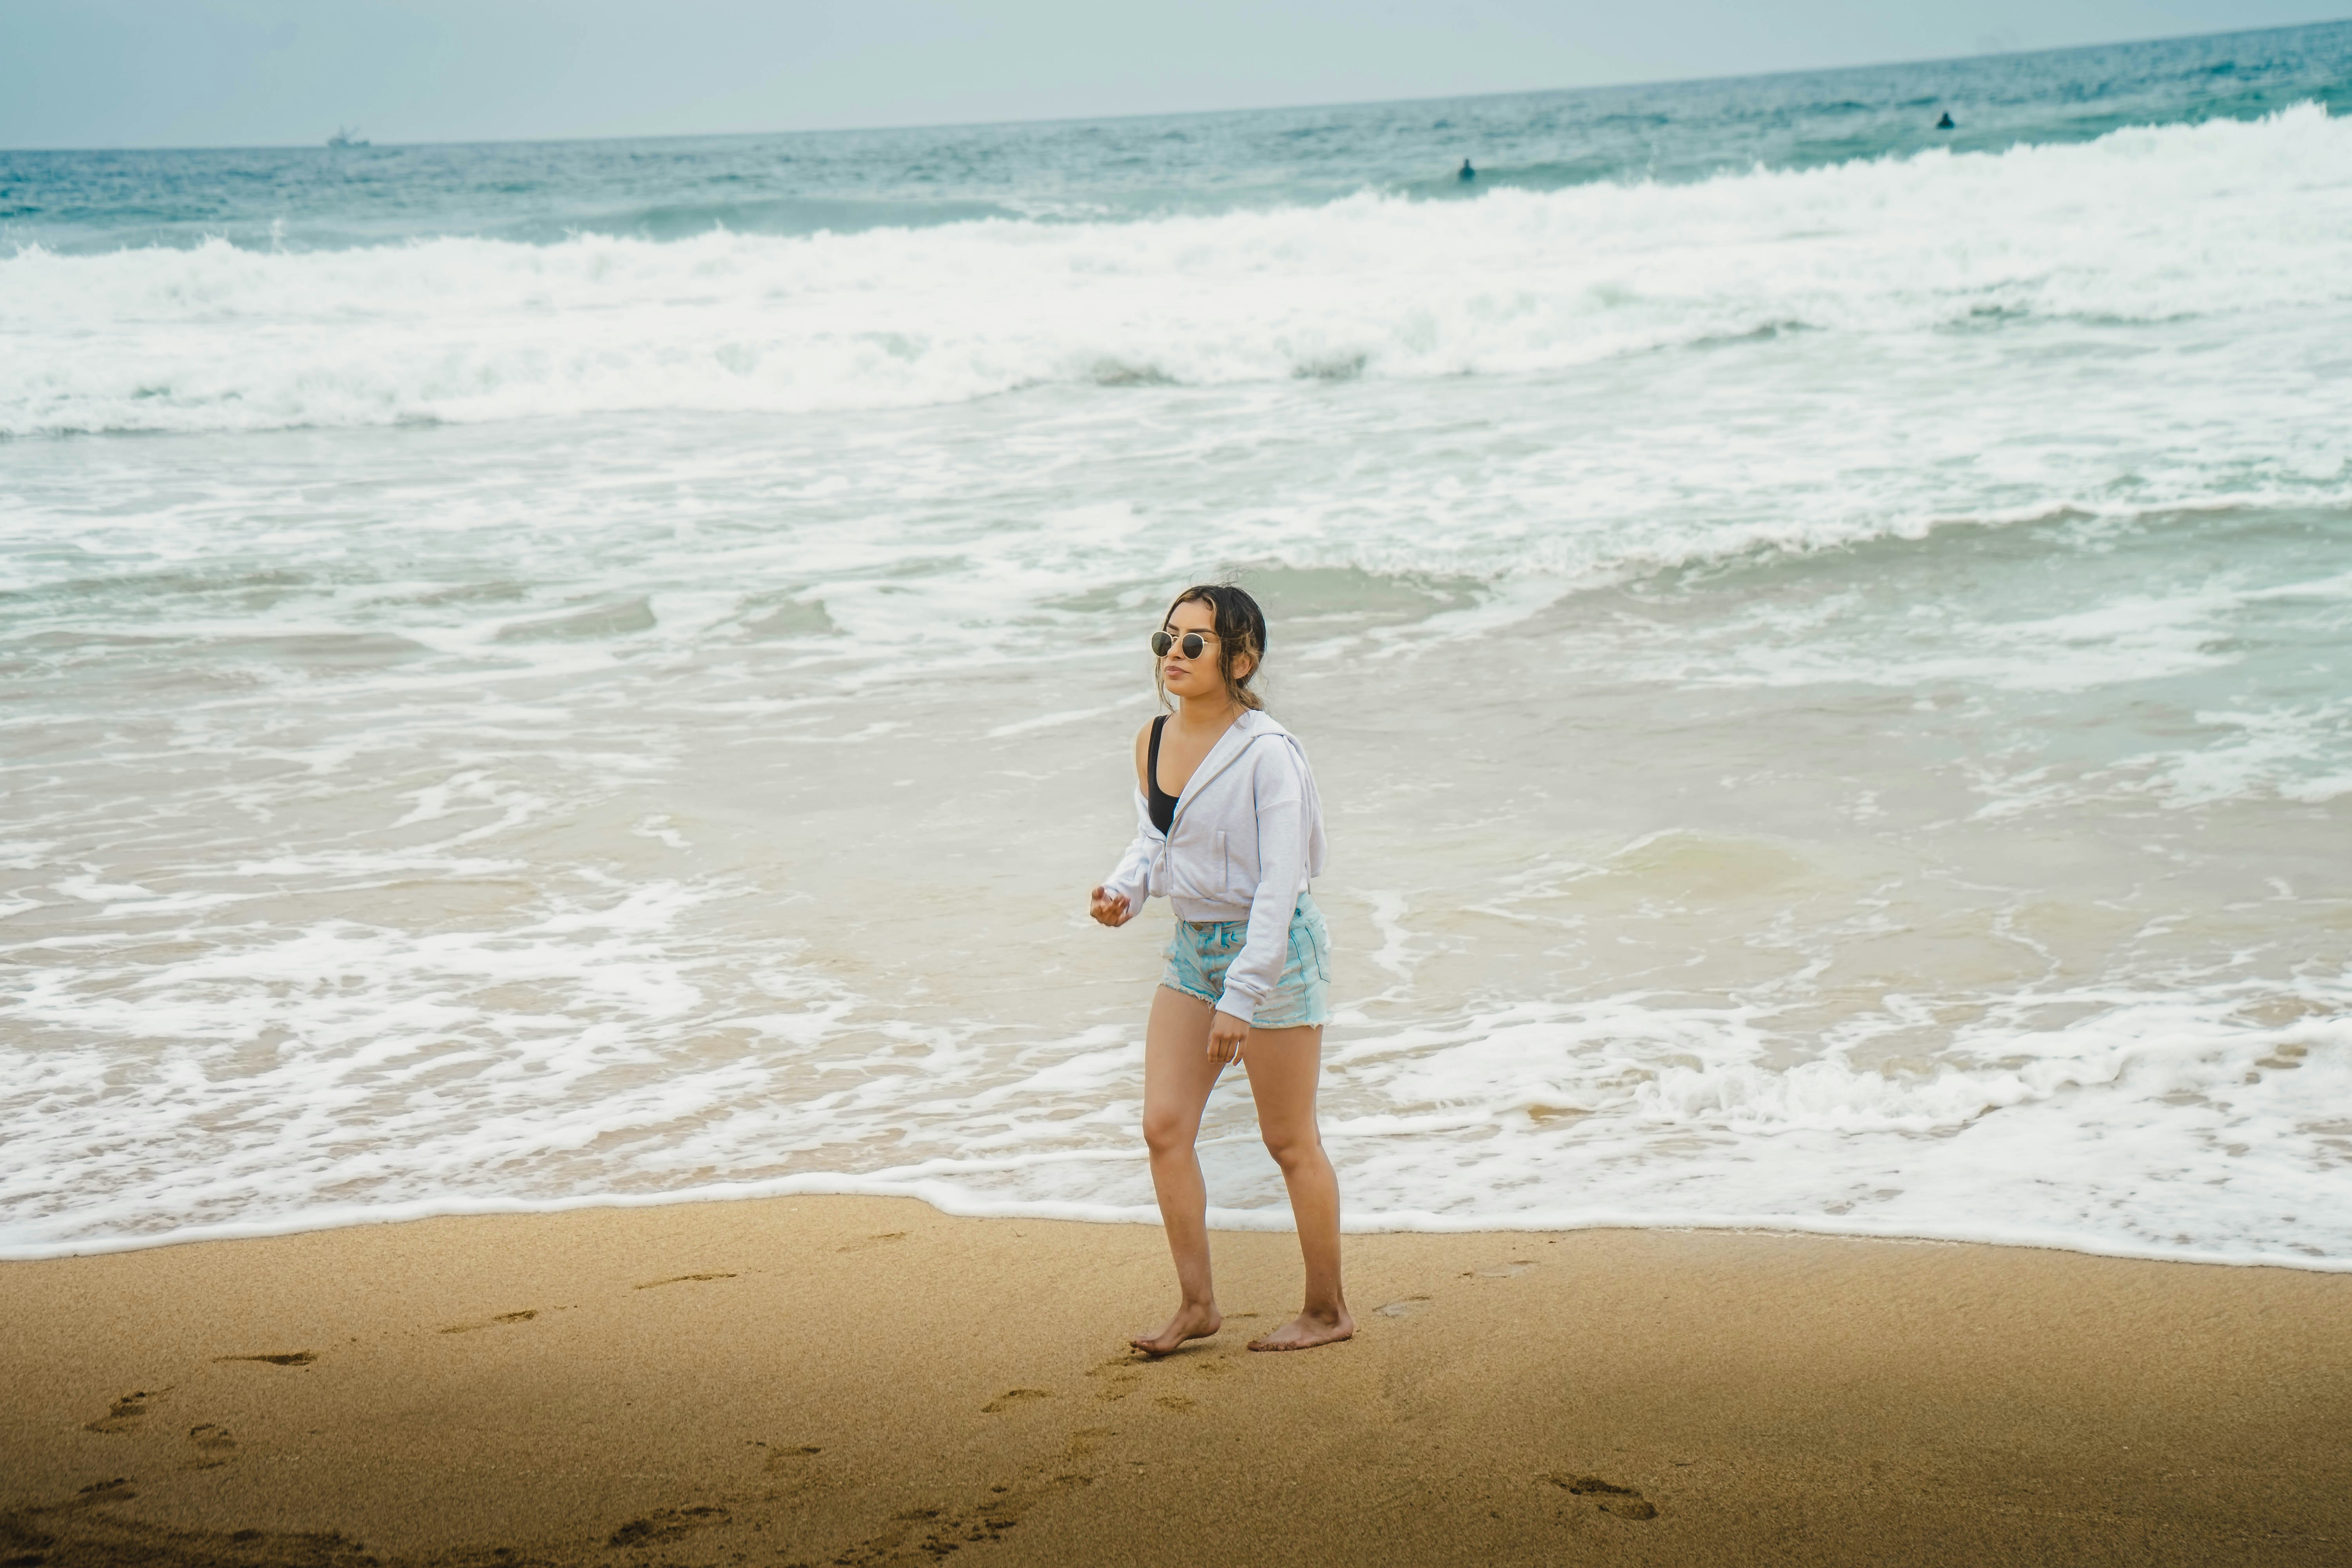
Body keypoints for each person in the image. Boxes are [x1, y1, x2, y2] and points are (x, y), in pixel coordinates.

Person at [1089, 584, 1351, 1354]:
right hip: (1193, 949)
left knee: (1288, 1138)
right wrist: (1123, 892)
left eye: (1195, 641)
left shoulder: (1269, 752)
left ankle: (1328, 1308)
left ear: (1242, 658)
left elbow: (1281, 881)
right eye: (1166, 638)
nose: (1174, 652)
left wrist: (1245, 992)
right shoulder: (1153, 738)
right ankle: (1198, 1304)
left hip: (1274, 952)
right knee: (1163, 1126)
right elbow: (1156, 839)